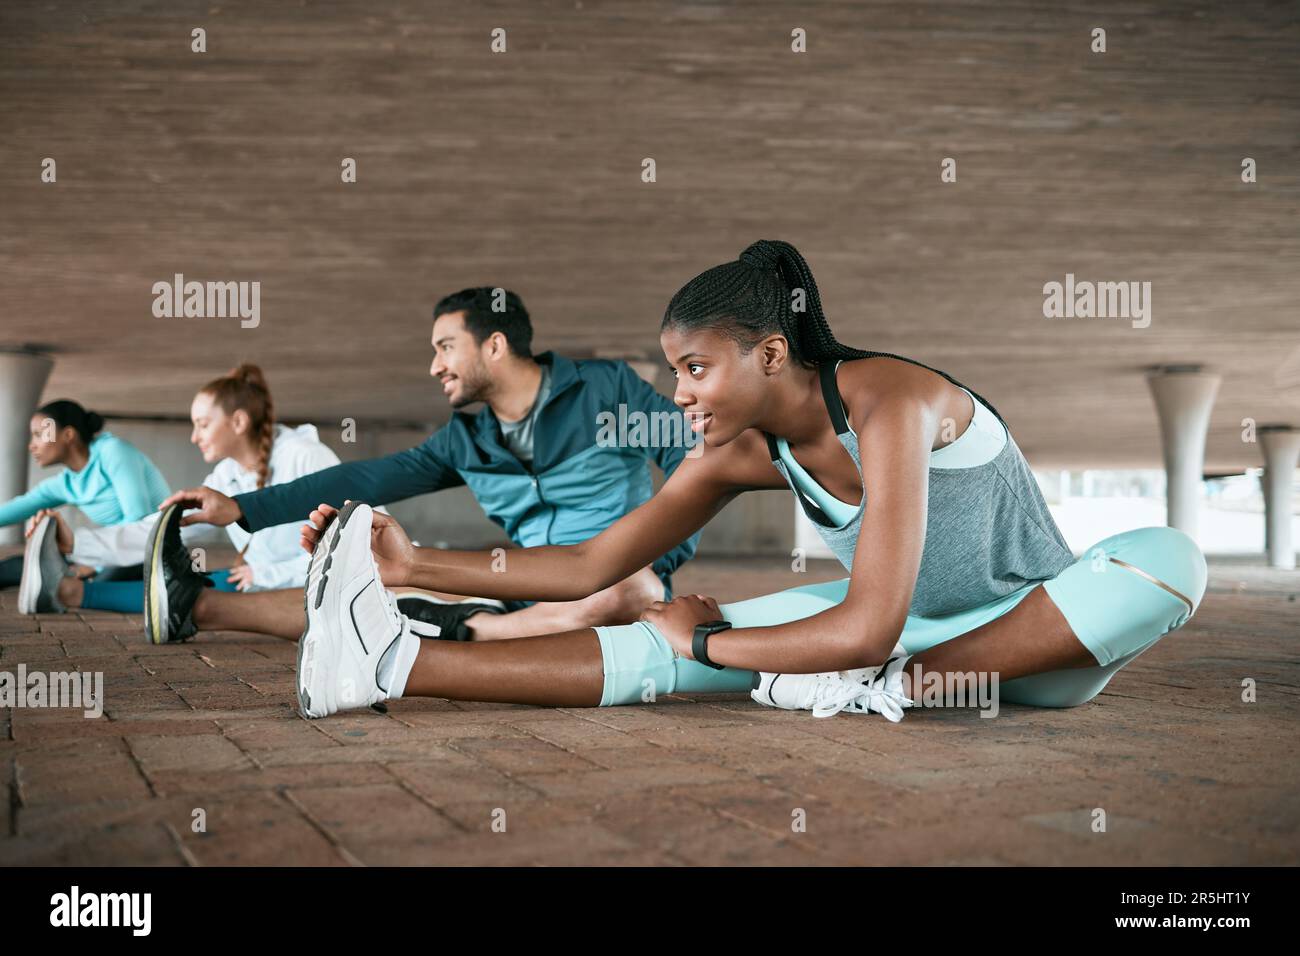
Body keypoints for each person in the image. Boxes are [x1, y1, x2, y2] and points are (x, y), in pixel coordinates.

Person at [286, 240, 1208, 722]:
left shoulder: (893, 399)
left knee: (1168, 559)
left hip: (1029, 646)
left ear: (772, 353)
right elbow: (589, 567)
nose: (678, 393)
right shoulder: (737, 451)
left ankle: (881, 691)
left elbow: (870, 621)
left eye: (694, 368)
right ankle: (393, 666)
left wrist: (719, 647)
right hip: (882, 644)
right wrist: (415, 565)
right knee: (656, 630)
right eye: (674, 372)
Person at [145, 288, 700, 644]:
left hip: (618, 582)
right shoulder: (467, 441)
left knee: (624, 592)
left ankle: (470, 632)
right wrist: (243, 506)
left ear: (495, 346)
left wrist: (659, 557)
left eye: (445, 347)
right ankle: (197, 606)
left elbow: (692, 458)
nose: (435, 366)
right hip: (527, 587)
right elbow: (362, 478)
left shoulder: (603, 390)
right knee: (362, 587)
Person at [22, 365, 341, 640]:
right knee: (189, 582)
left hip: (323, 592)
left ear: (239, 422)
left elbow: (361, 551)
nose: (194, 436)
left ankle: (68, 591)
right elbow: (159, 531)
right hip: (262, 583)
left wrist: (266, 575)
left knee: (209, 589)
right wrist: (75, 542)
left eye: (203, 424)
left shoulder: (306, 457)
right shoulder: (225, 476)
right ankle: (66, 590)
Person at [1, 400, 171, 612]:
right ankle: (59, 579)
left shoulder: (113, 451)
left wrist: (94, 565)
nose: (31, 445)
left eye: (38, 434)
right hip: (107, 554)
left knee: (96, 582)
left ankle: (66, 585)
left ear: (68, 435)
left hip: (152, 549)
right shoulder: (66, 483)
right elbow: (15, 509)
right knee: (14, 567)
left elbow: (138, 516)